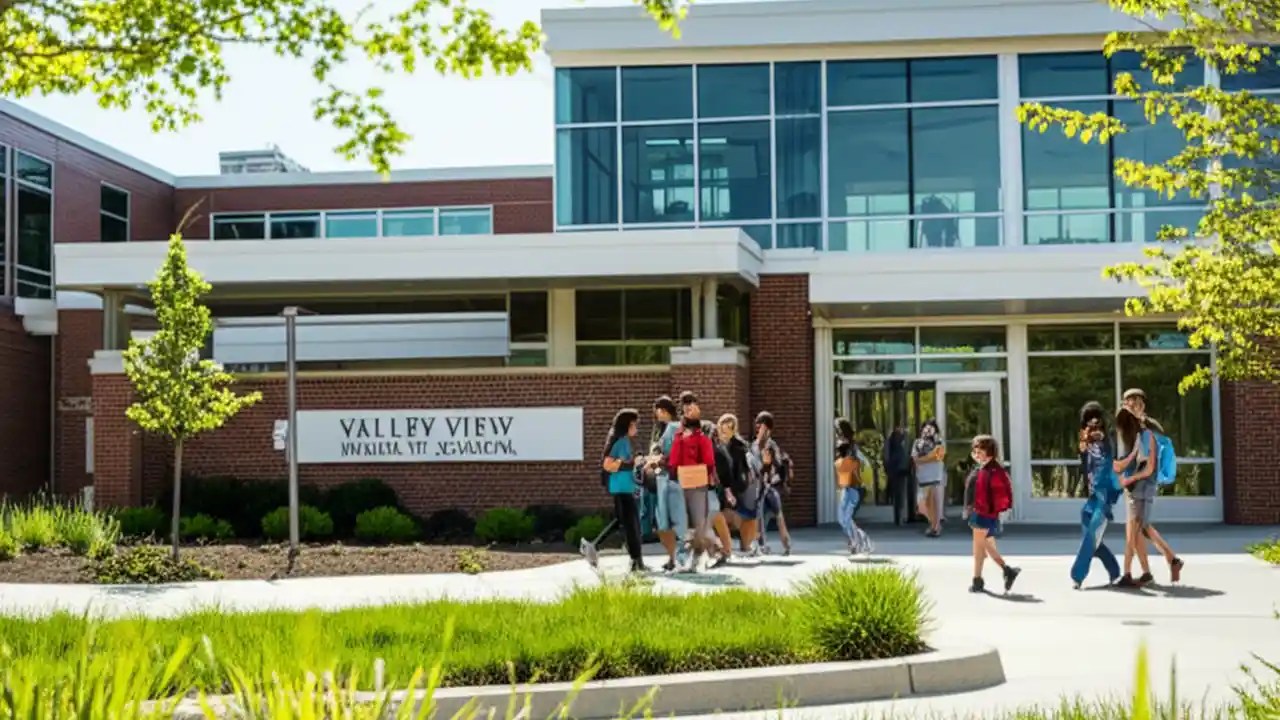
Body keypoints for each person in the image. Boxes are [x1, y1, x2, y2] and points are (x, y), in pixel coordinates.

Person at [1121, 388, 1184, 584]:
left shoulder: (1146, 429)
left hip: (1141, 484)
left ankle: (1133, 573)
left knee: (1136, 529)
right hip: (1138, 483)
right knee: (1141, 528)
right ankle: (1165, 562)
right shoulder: (1136, 427)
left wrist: (1129, 478)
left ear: (1141, 406)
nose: (1131, 406)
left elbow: (1146, 464)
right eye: (1129, 403)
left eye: (1135, 403)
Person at [1071, 401, 1122, 589]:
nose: (1093, 426)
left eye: (1097, 421)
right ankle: (1115, 571)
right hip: (1092, 497)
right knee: (1092, 538)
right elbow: (1085, 466)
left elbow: (1111, 458)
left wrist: (1102, 439)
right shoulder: (1085, 443)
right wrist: (1083, 448)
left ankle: (1077, 575)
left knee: (1092, 535)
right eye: (1088, 423)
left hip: (1104, 497)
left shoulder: (1108, 441)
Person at [669, 392, 718, 573]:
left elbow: (709, 458)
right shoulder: (679, 432)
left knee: (698, 523)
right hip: (682, 480)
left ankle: (699, 557)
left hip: (697, 481)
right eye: (685, 406)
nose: (688, 409)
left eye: (691, 405)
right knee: (685, 523)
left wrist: (709, 474)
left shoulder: (703, 430)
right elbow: (674, 456)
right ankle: (688, 559)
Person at [964, 434, 1019, 594]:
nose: (976, 455)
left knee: (979, 549)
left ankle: (980, 579)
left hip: (984, 514)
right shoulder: (987, 469)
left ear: (989, 452)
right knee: (984, 548)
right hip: (983, 513)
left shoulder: (990, 471)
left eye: (979, 451)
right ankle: (1003, 572)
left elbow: (991, 495)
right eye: (974, 451)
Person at [601, 408, 648, 574]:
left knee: (631, 524)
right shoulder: (619, 441)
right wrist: (632, 463)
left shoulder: (624, 441)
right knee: (631, 525)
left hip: (626, 487)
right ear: (627, 425)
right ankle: (636, 561)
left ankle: (637, 560)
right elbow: (608, 464)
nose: (636, 427)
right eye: (634, 424)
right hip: (622, 488)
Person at [711, 414, 759, 564]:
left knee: (740, 516)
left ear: (733, 431)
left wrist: (734, 488)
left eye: (727, 430)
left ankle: (745, 545)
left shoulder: (739, 447)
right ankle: (727, 548)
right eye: (721, 429)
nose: (723, 433)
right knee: (722, 517)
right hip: (721, 486)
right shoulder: (715, 445)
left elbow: (743, 470)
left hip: (737, 486)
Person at [649, 396, 688, 573]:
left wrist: (657, 461)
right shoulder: (662, 429)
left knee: (676, 519)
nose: (657, 415)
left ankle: (680, 558)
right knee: (663, 522)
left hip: (672, 479)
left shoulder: (674, 428)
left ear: (664, 411)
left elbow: (675, 455)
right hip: (662, 479)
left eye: (659, 411)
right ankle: (674, 558)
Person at [752, 411, 793, 556]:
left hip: (769, 486)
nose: (757, 427)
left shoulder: (770, 445)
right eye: (757, 424)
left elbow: (778, 464)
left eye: (760, 424)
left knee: (775, 516)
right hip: (761, 486)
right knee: (761, 517)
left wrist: (771, 470)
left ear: (767, 427)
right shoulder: (755, 444)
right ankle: (763, 545)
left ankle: (784, 545)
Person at [835, 418, 873, 559]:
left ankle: (858, 542)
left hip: (854, 488)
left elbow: (852, 466)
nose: (836, 432)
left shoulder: (851, 447)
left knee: (846, 518)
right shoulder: (844, 446)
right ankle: (859, 541)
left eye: (838, 429)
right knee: (843, 519)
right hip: (847, 488)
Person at [913, 419, 946, 537]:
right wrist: (924, 459)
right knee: (923, 504)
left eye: (930, 428)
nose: (927, 430)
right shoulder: (917, 443)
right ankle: (932, 524)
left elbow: (938, 456)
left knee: (935, 503)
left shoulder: (939, 442)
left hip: (935, 477)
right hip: (922, 478)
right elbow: (914, 457)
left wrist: (922, 460)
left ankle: (936, 527)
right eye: (925, 428)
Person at [884, 424, 912, 526]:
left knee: (898, 494)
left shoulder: (891, 440)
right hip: (901, 470)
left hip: (895, 470)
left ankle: (899, 516)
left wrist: (887, 468)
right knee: (901, 494)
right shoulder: (903, 440)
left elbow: (886, 456)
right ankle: (900, 516)